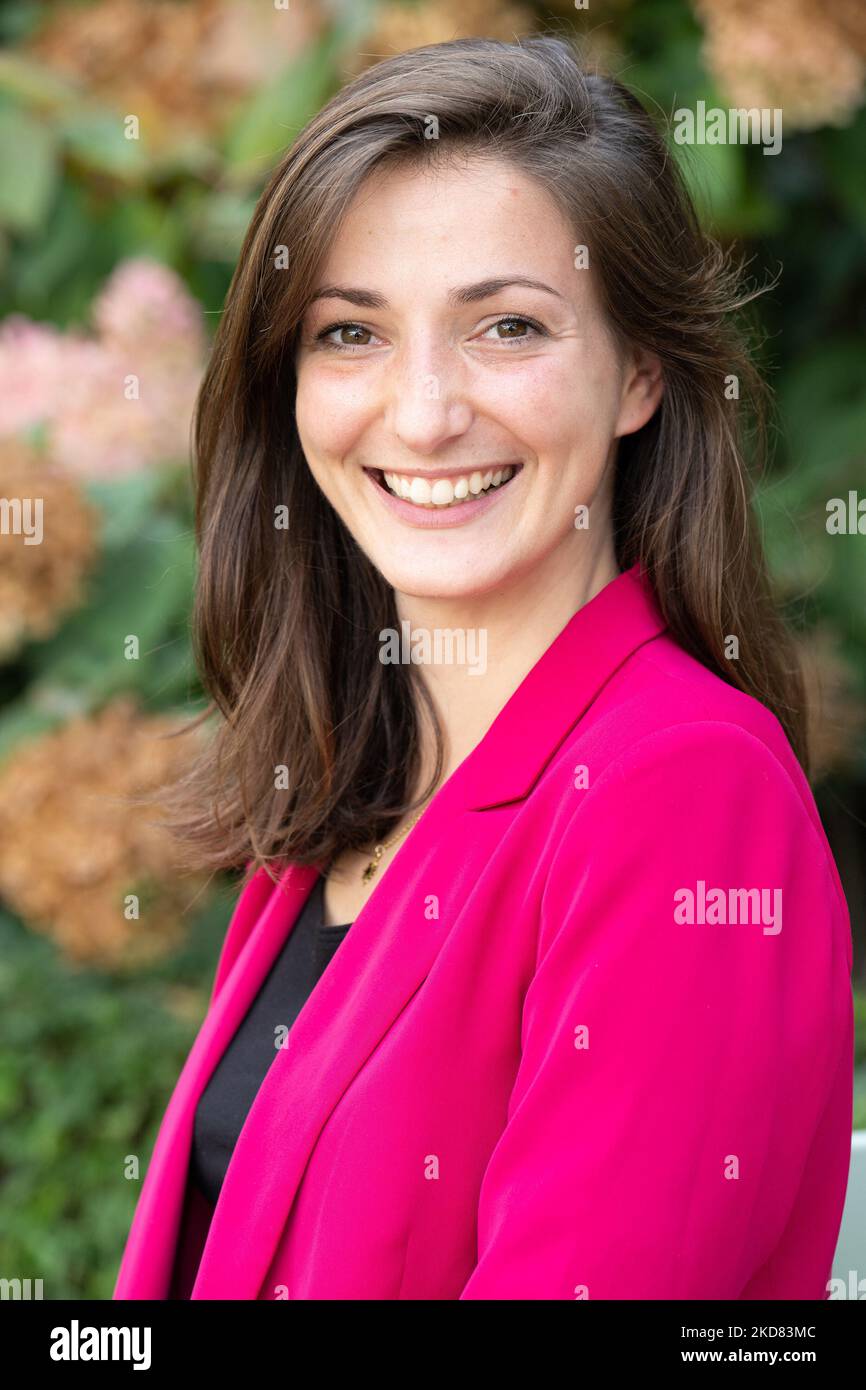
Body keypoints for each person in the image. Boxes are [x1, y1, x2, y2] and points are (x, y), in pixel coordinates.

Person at [113, 35, 853, 1301]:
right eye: (350, 334)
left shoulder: (678, 795)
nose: (421, 413)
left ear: (638, 371)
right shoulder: (351, 791)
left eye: (505, 326)